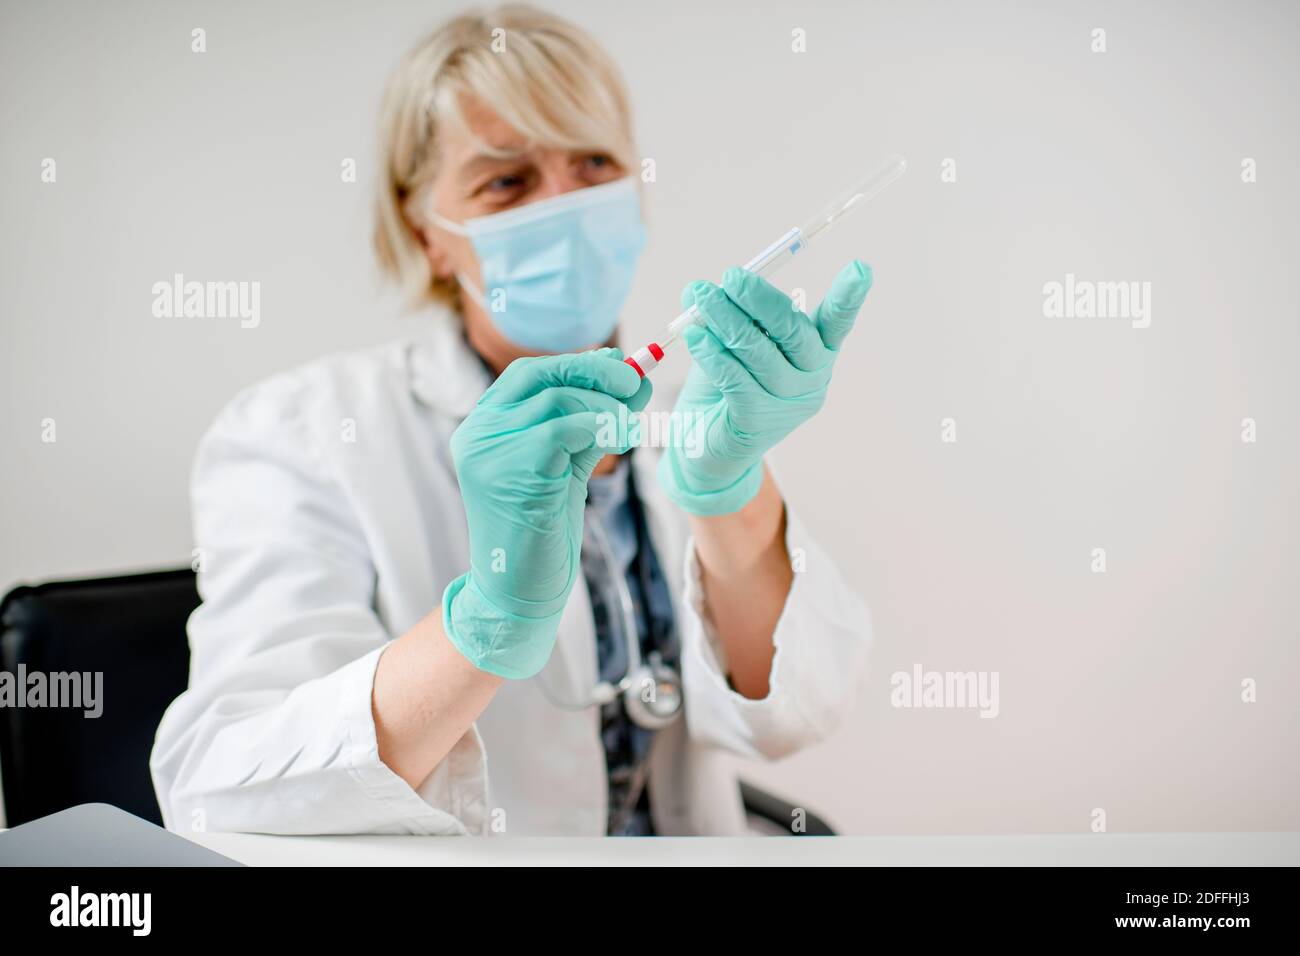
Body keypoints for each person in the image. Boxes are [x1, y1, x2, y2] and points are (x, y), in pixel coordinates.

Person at [150, 4, 873, 836]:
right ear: (428, 234)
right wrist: (485, 623)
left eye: (594, 163)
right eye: (507, 180)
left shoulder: (696, 411)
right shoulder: (303, 435)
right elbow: (221, 786)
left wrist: (732, 494)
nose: (564, 204)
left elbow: (796, 714)